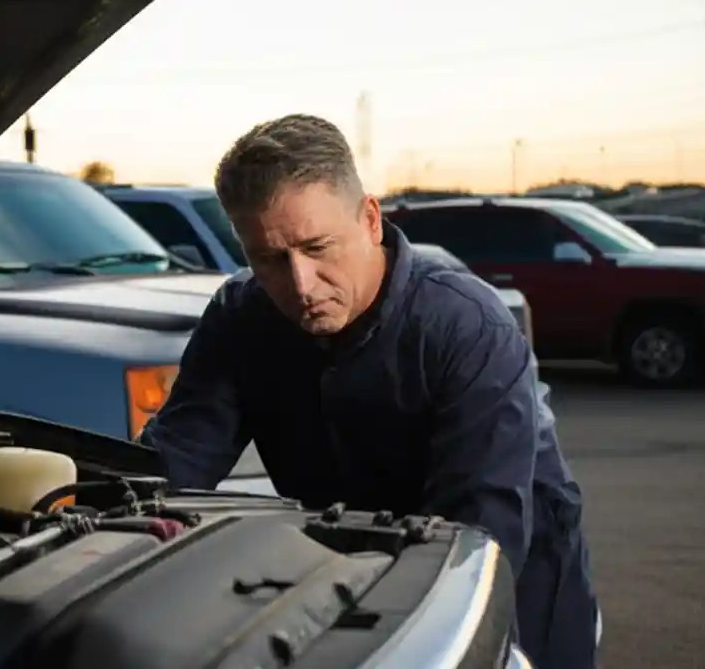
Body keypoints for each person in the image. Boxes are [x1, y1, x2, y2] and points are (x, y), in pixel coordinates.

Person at [137, 114, 599, 668]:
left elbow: (479, 528)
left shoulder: (466, 327)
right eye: (269, 259)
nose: (301, 284)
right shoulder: (240, 319)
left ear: (371, 219)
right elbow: (176, 465)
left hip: (511, 570)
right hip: (347, 570)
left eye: (318, 246)